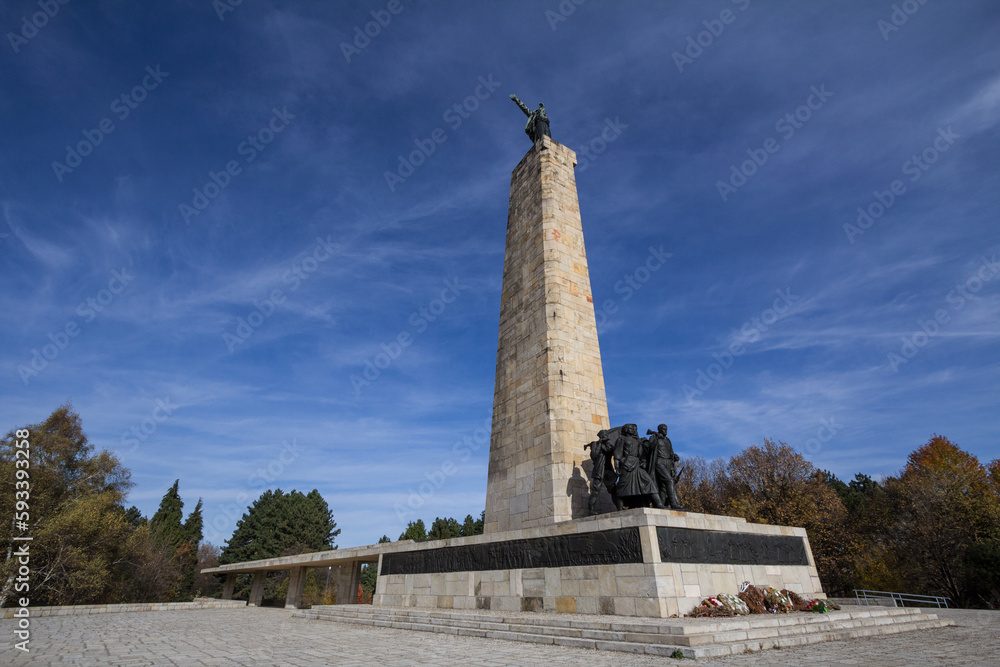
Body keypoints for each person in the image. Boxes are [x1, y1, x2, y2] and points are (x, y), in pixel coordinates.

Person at [614, 424, 664, 509]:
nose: (632, 430)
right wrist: (617, 467)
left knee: (649, 482)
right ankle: (619, 508)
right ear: (626, 430)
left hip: (637, 464)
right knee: (622, 486)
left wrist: (643, 462)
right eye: (630, 428)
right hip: (626, 465)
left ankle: (659, 504)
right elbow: (617, 455)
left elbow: (641, 454)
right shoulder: (621, 439)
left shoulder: (637, 441)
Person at [647, 424, 683, 509]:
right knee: (670, 481)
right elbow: (651, 448)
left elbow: (670, 452)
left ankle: (661, 505)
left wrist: (674, 457)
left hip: (668, 462)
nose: (665, 431)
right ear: (659, 430)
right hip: (659, 462)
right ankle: (674, 503)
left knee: (664, 486)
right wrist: (656, 438)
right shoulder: (653, 437)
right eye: (663, 429)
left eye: (666, 429)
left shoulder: (668, 440)